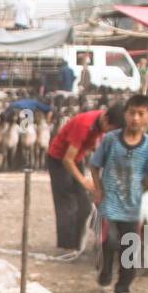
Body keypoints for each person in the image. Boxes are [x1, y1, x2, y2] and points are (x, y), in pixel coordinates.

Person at [89, 94, 148, 293]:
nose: (135, 118)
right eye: (132, 113)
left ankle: (123, 288)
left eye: (141, 114)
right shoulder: (111, 140)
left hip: (132, 204)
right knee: (109, 242)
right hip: (109, 201)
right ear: (125, 114)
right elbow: (95, 165)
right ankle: (105, 280)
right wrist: (97, 190)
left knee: (130, 245)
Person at [46, 103, 124, 251]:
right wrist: (84, 181)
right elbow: (67, 159)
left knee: (84, 204)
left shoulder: (102, 122)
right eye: (112, 130)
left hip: (77, 158)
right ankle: (67, 247)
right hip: (59, 159)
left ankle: (78, 242)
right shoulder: (84, 125)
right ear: (106, 121)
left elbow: (98, 149)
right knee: (67, 203)